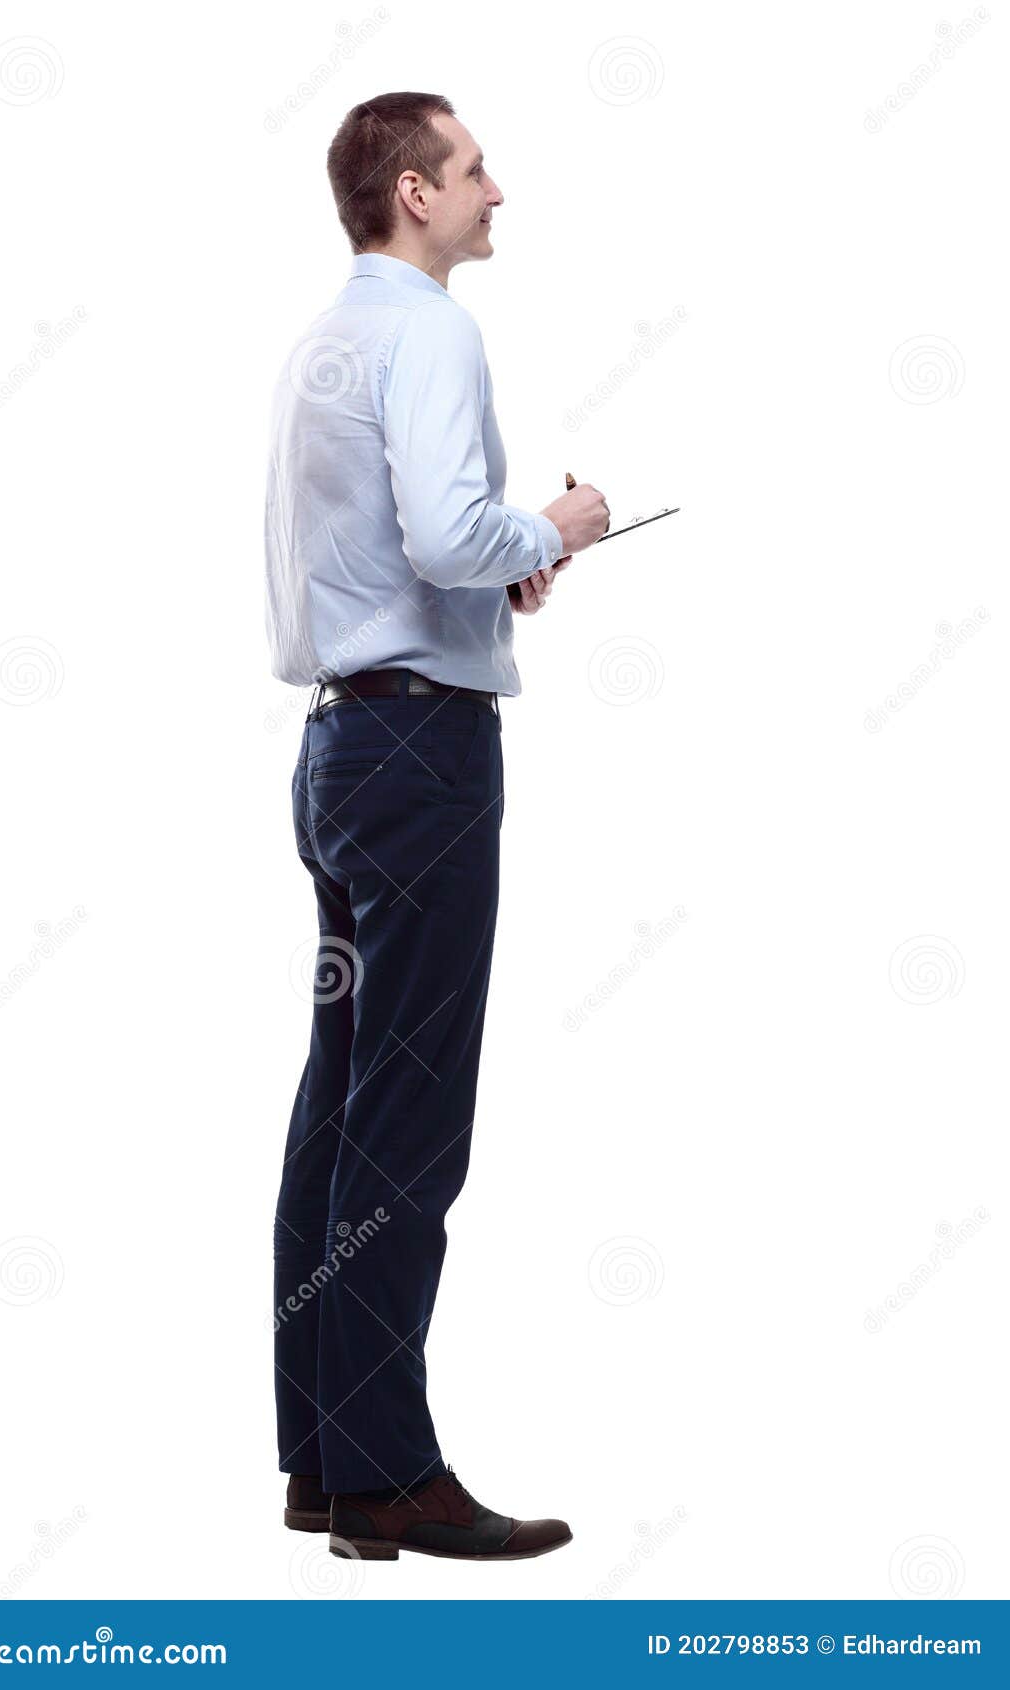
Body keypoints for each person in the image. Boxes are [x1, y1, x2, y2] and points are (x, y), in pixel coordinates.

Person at [265, 91, 609, 1562]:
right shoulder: (432, 330)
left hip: (341, 748)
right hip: (421, 760)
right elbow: (450, 532)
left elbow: (363, 554)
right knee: (406, 1124)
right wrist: (555, 531)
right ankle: (392, 1472)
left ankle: (324, 1461)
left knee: (342, 1105)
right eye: (472, 168)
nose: (496, 189)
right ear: (413, 193)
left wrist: (483, 573)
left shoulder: (323, 343)